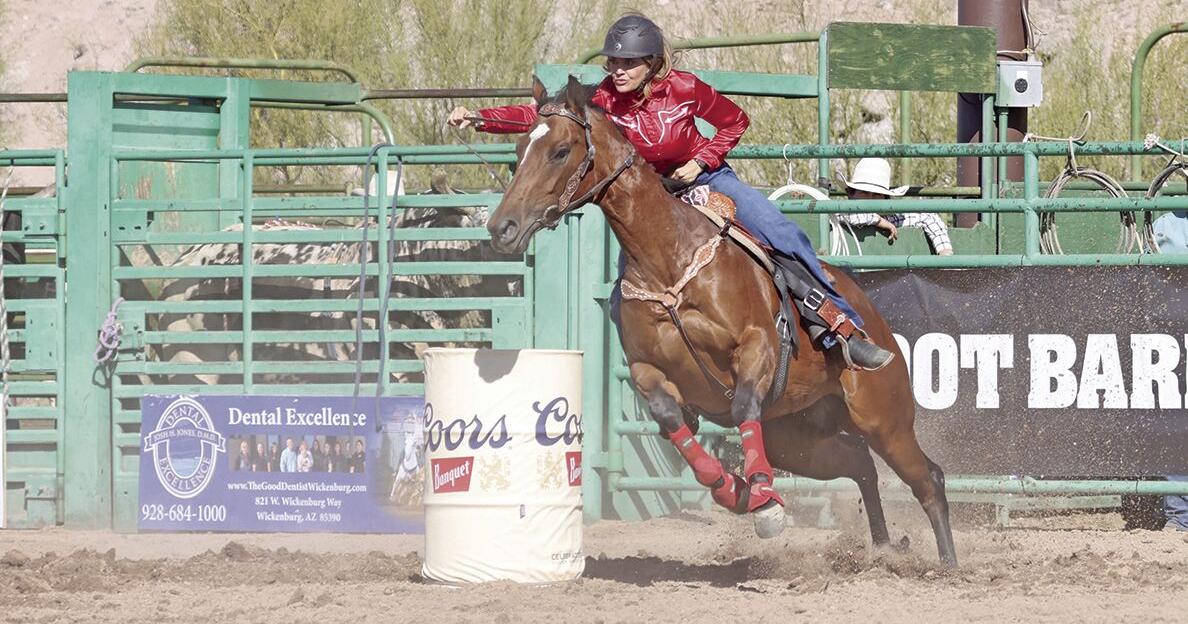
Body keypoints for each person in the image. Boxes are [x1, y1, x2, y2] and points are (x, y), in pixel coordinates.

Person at [447, 13, 893, 371]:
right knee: (625, 298)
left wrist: (702, 160)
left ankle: (845, 329)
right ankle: (666, 380)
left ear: (653, 63)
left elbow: (735, 121)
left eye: (629, 63)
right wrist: (481, 118)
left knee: (782, 232)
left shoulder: (685, 89)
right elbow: (541, 116)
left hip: (708, 180)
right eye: (614, 63)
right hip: (652, 198)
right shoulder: (601, 100)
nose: (618, 71)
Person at [839, 158, 954, 256]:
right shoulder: (842, 214)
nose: (870, 199)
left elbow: (927, 216)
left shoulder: (891, 219)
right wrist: (879, 221)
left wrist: (944, 251)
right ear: (851, 194)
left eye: (877, 194)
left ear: (885, 199)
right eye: (864, 192)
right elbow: (844, 216)